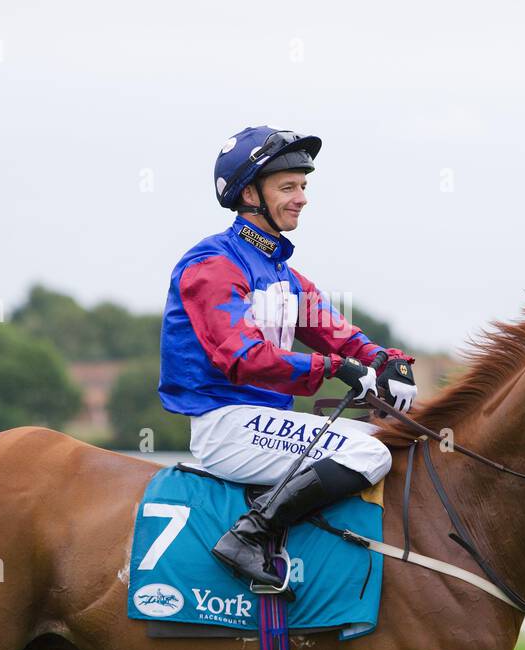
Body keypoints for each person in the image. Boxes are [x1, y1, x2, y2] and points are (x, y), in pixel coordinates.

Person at [159, 126, 418, 590]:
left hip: (262, 421)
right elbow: (242, 358)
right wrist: (334, 369)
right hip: (225, 425)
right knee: (369, 452)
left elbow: (336, 332)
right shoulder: (213, 265)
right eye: (288, 187)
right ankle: (249, 535)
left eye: (304, 187)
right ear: (249, 194)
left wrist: (385, 361)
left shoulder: (284, 273)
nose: (301, 198)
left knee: (394, 443)